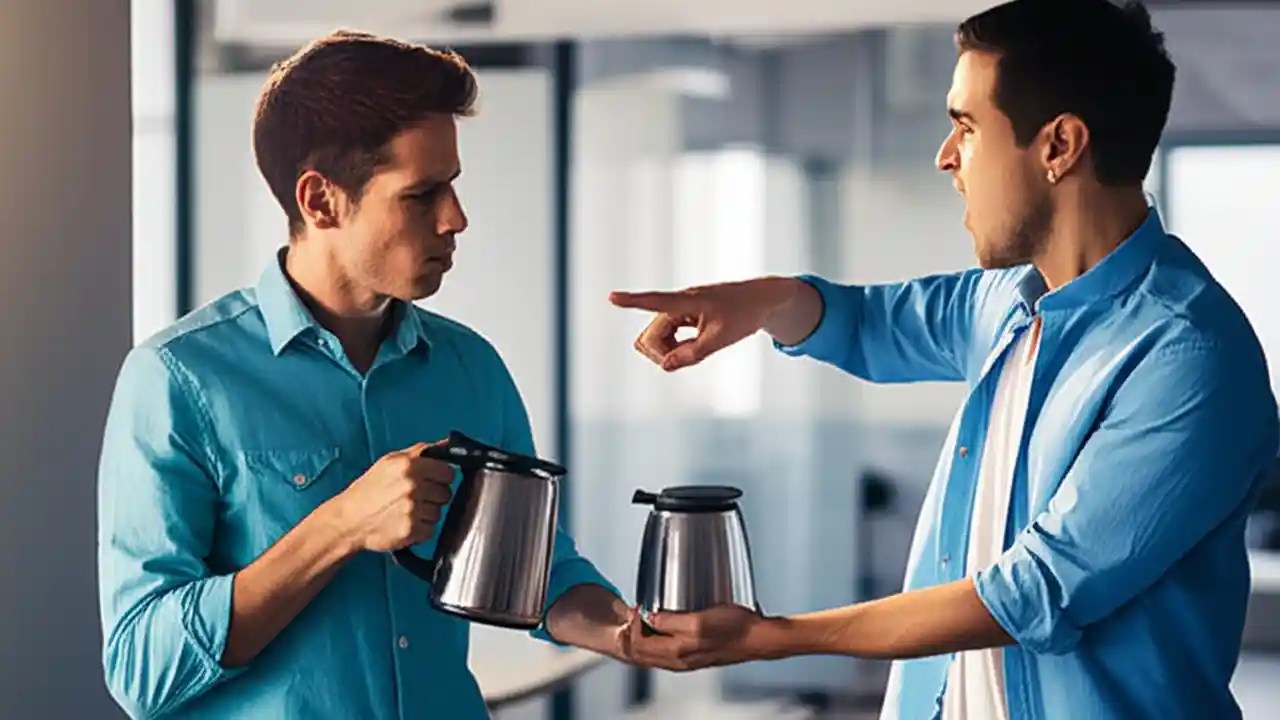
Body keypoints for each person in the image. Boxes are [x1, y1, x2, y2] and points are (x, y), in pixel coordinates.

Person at [611, 1, 1279, 718]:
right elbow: (866, 323)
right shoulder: (1008, 302)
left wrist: (774, 637)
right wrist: (759, 301)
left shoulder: (1189, 355)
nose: (945, 156)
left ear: (1059, 146)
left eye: (966, 125)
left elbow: (1032, 593)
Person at [97, 31, 650, 719]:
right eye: (422, 195)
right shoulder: (176, 381)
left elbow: (531, 573)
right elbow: (141, 671)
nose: (456, 219)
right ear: (320, 201)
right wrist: (341, 526)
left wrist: (630, 635)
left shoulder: (471, 369)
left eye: (453, 186)